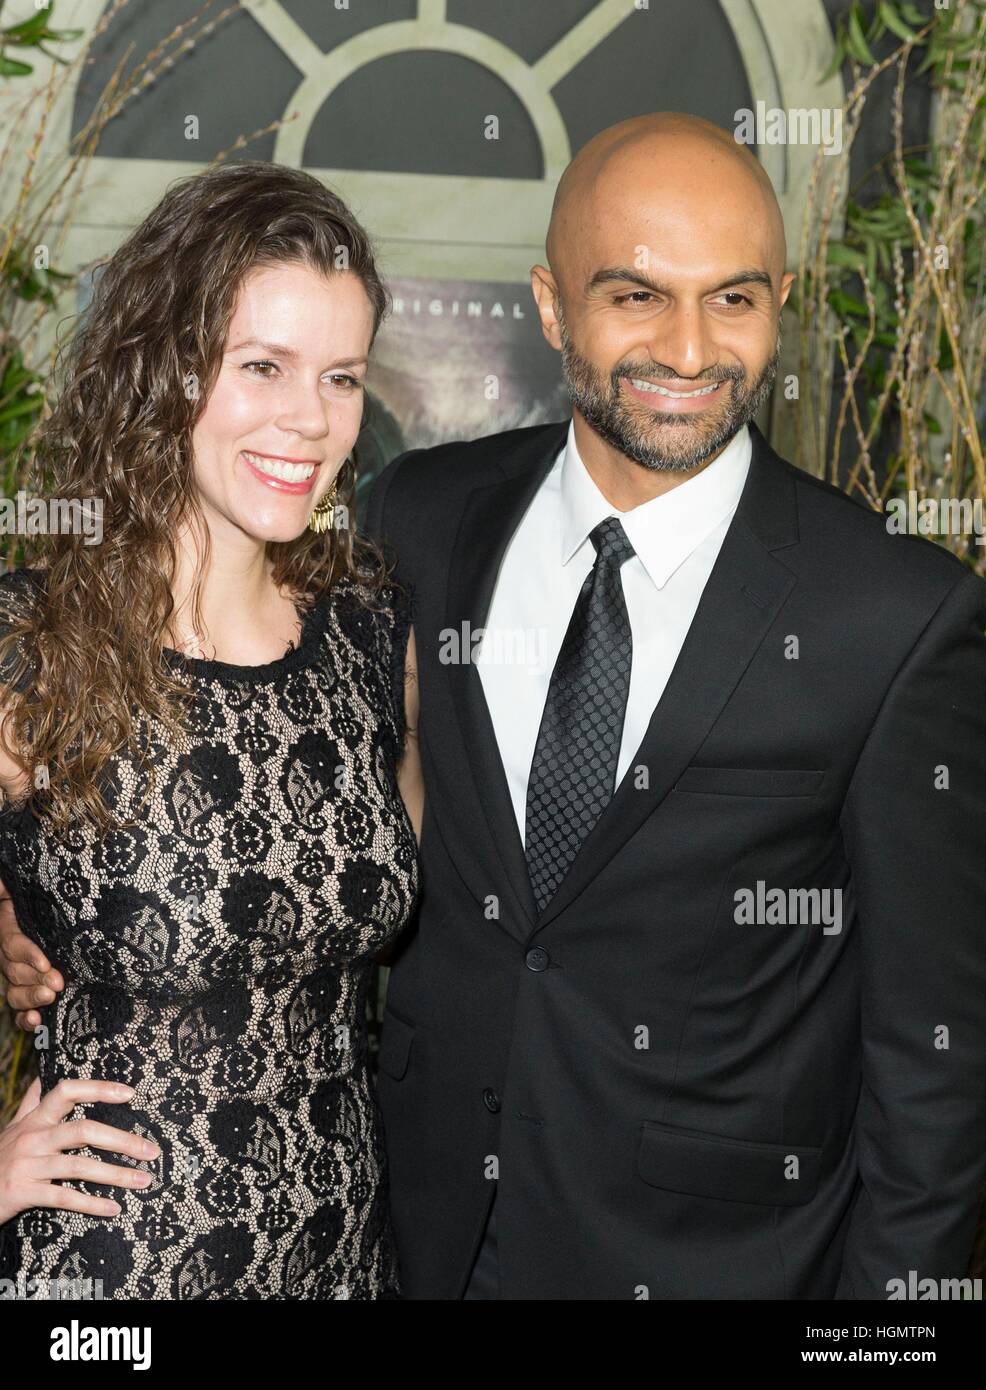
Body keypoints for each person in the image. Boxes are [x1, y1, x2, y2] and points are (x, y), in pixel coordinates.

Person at [7, 112, 986, 1303]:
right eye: (634, 294)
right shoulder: (422, 522)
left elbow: (933, 1060)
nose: (688, 347)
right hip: (388, 1238)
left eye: (732, 299)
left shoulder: (895, 611)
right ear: (548, 304)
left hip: (701, 1265)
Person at [0, 160, 422, 1300]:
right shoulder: (28, 644)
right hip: (117, 1280)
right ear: (163, 368)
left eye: (340, 376)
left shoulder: (368, 632)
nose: (311, 419)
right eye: (261, 366)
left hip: (341, 1259)